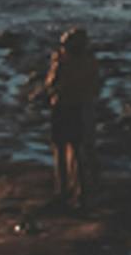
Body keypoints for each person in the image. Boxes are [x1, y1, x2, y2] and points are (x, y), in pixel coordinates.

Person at [33, 27, 106, 211]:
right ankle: (81, 192)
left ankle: (65, 191)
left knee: (63, 149)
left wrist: (56, 66)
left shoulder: (65, 63)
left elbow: (53, 84)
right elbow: (95, 87)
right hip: (81, 107)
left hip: (65, 106)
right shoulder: (91, 62)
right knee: (78, 150)